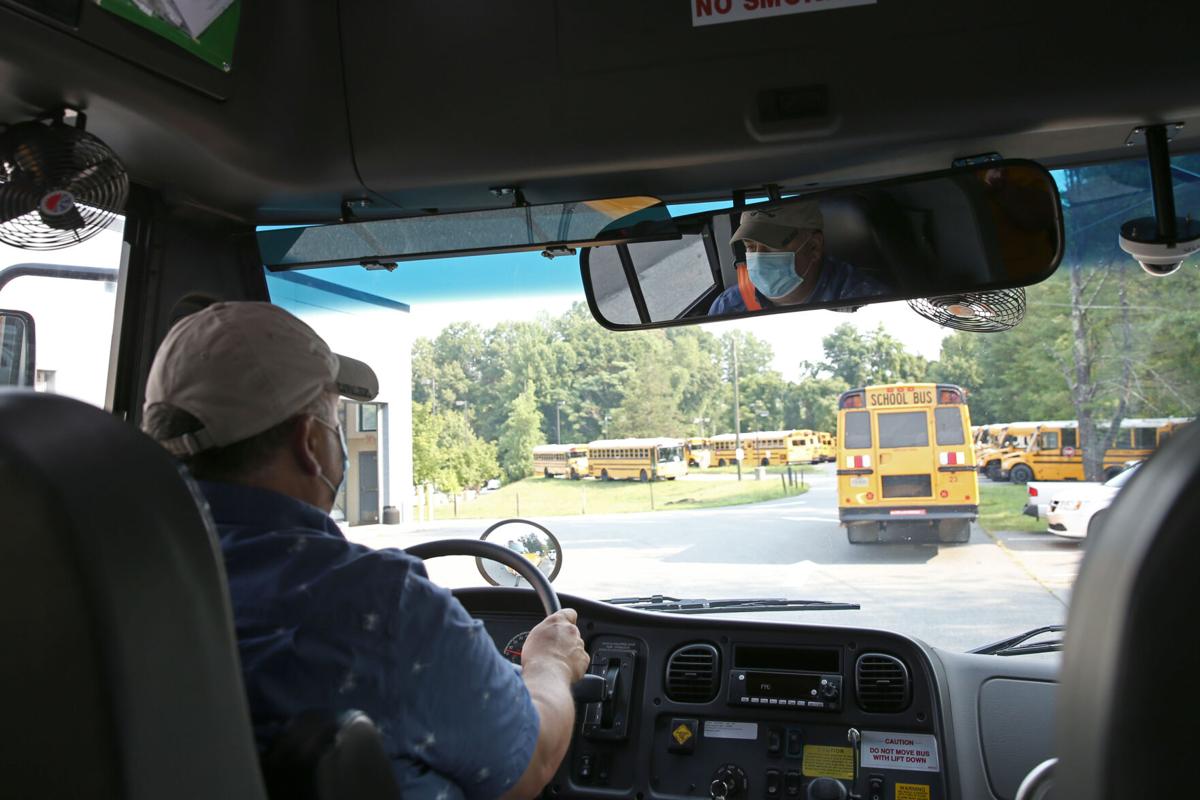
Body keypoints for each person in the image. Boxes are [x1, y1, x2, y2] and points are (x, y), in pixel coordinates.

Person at [140, 301, 588, 800]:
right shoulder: (379, 602)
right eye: (334, 419)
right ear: (310, 442)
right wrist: (549, 664)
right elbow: (532, 762)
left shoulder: (112, 582)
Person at [708, 200, 889, 316]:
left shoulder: (864, 303)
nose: (758, 257)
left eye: (772, 245)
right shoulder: (729, 306)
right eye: (750, 246)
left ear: (814, 246)